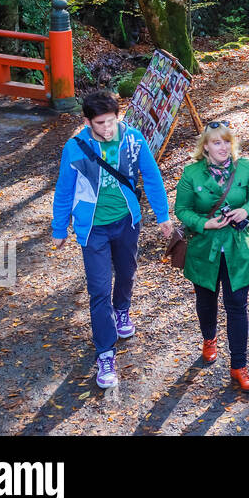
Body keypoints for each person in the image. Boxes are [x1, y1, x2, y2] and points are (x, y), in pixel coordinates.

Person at [52, 90, 173, 389]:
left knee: (127, 272)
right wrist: (59, 228)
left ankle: (122, 310)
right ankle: (105, 352)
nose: (107, 129)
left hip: (126, 223)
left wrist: (163, 215)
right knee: (98, 290)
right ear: (87, 122)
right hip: (92, 228)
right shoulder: (76, 147)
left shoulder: (133, 140)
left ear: (120, 116)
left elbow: (152, 175)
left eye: (111, 122)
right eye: (100, 124)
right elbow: (64, 189)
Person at [172, 121, 249, 393]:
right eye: (216, 142)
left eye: (226, 141)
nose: (222, 147)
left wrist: (246, 210)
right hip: (204, 250)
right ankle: (209, 339)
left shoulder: (245, 167)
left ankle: (239, 366)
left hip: (238, 250)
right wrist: (204, 224)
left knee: (237, 306)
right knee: (206, 300)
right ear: (206, 147)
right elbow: (182, 209)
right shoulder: (191, 174)